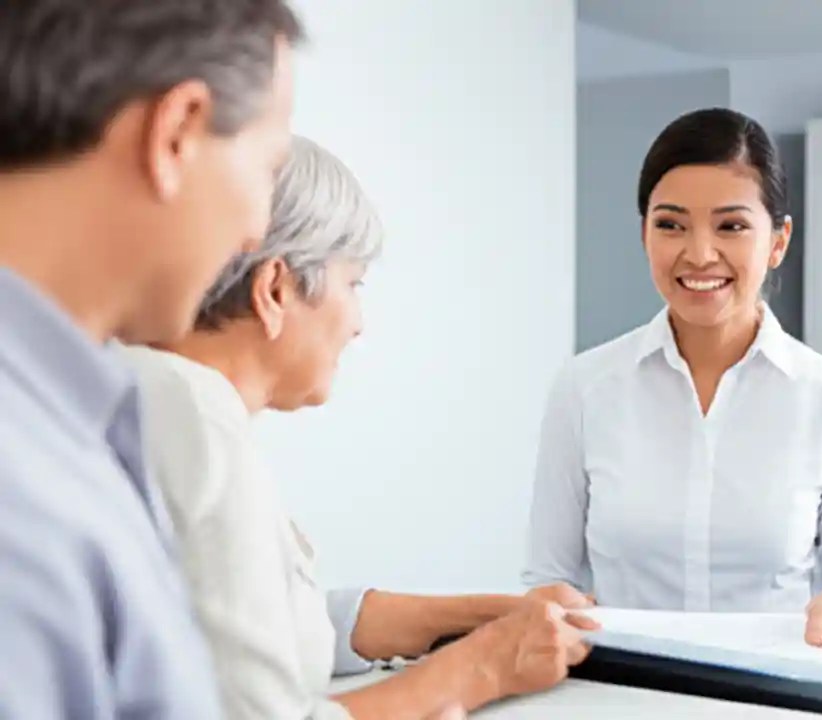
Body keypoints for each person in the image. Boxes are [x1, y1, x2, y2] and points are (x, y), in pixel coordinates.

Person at [122, 135, 597, 720]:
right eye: (354, 284)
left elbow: (258, 621)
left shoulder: (161, 397)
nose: (358, 323)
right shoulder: (194, 424)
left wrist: (478, 616)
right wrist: (480, 668)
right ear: (276, 289)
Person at [0, 1, 301, 717]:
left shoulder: (78, 421)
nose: (257, 231)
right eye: (267, 169)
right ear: (177, 133)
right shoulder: (22, 492)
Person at [523, 107, 822, 662]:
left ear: (778, 240)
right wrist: (548, 607)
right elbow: (546, 577)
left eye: (732, 225)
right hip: (623, 698)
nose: (699, 253)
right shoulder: (583, 389)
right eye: (670, 224)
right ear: (644, 233)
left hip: (774, 700)